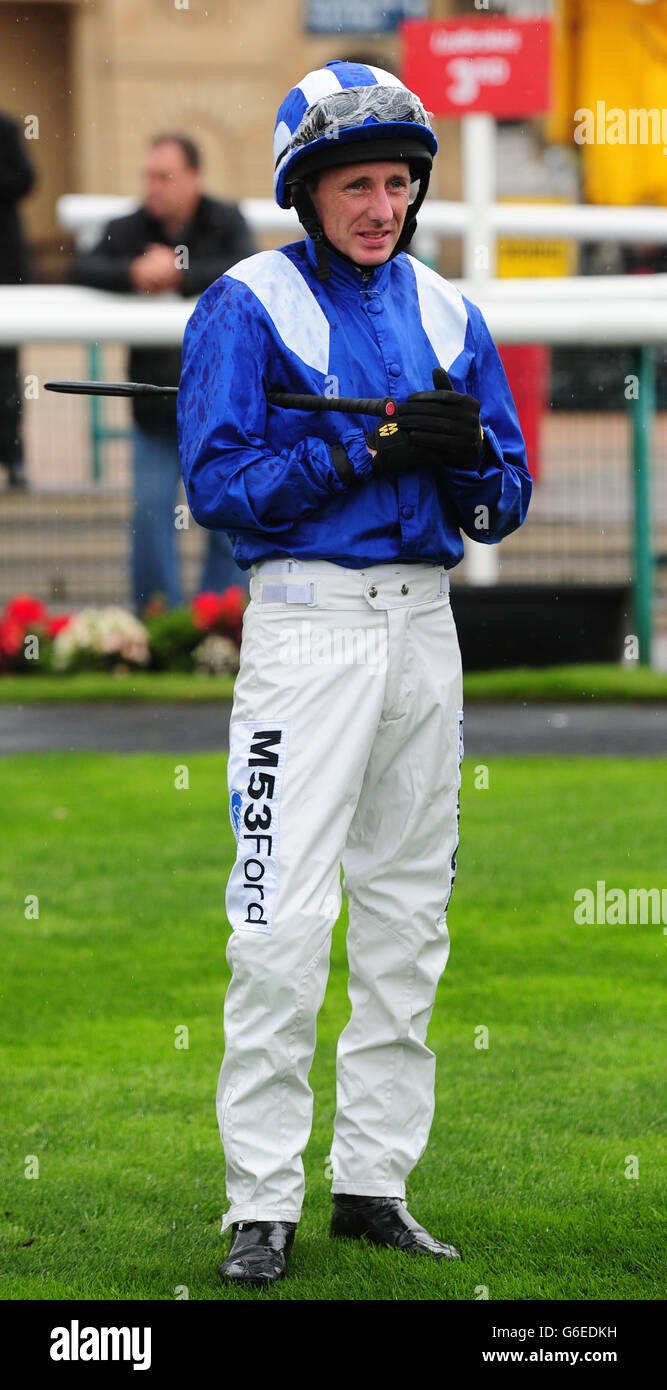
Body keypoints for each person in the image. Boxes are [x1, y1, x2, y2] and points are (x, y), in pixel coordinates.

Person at [178, 61, 532, 1286]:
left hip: (422, 629)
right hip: (306, 628)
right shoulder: (241, 304)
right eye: (356, 184)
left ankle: (372, 1184)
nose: (381, 205)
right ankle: (259, 1201)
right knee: (279, 920)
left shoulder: (449, 312)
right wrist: (368, 446)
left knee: (405, 920)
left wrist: (466, 461)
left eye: (397, 182)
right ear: (306, 192)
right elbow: (221, 489)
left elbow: (505, 500)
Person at [68, 134, 255, 612]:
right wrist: (133, 272)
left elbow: (249, 269)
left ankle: (219, 627)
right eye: (148, 176)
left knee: (225, 519)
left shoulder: (226, 220)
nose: (152, 187)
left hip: (220, 408)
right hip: (154, 409)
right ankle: (158, 627)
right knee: (151, 515)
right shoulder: (129, 227)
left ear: (194, 178)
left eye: (163, 176)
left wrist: (178, 274)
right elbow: (79, 268)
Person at [0, 111, 36, 490]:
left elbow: (26, 180)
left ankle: (13, 458)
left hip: (4, 273)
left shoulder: (6, 128)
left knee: (6, 376)